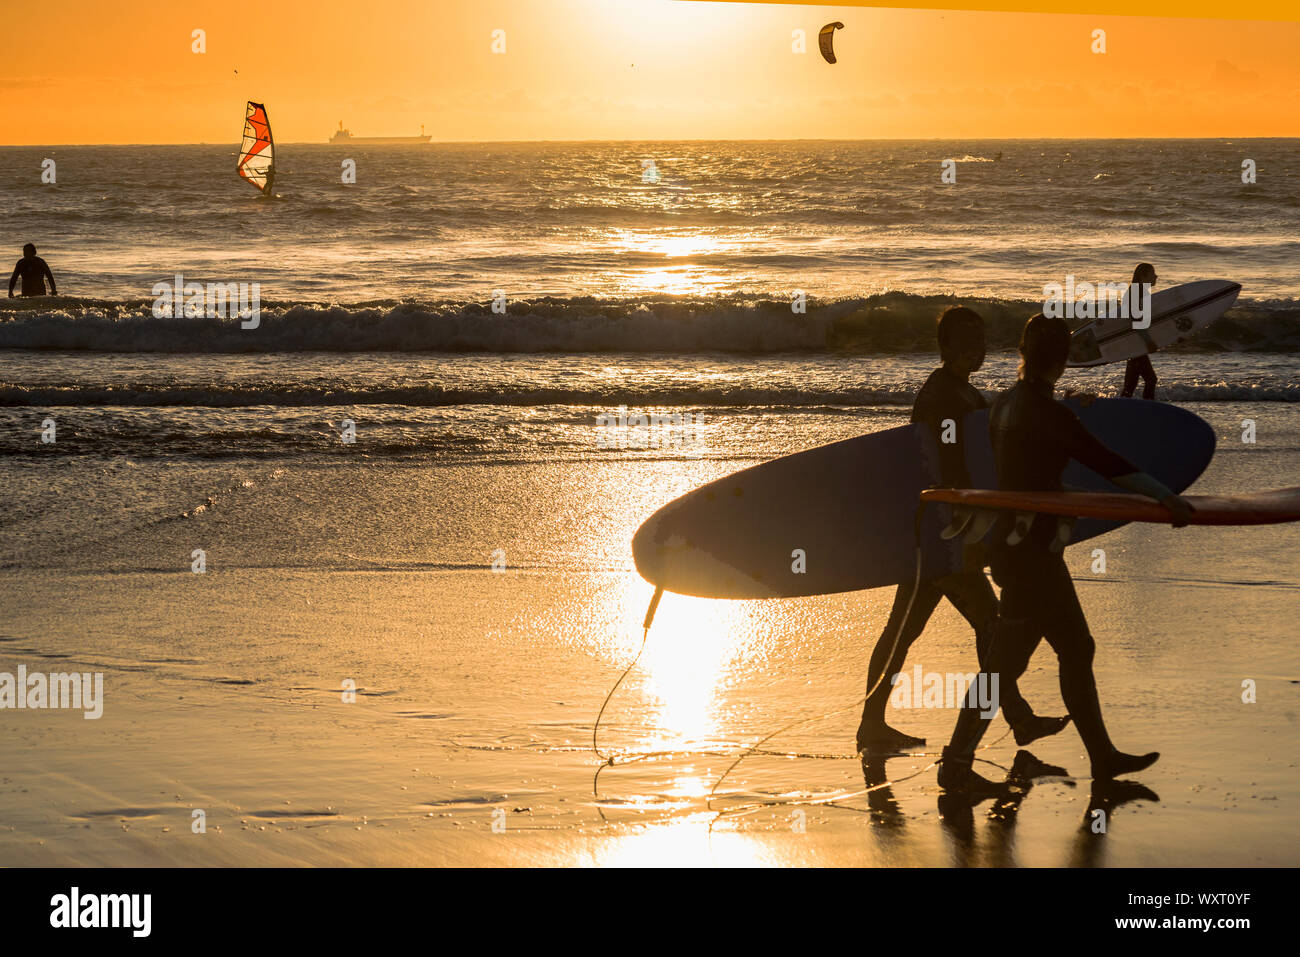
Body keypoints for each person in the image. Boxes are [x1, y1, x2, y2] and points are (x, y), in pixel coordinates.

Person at [937, 313, 1193, 793]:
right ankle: (955, 765)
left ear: (1022, 352)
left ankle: (1103, 757)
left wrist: (1068, 407)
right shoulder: (1050, 414)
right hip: (1032, 554)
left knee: (1074, 649)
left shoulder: (1006, 405)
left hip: (1019, 547)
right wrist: (1165, 495)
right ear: (1063, 359)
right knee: (1006, 666)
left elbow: (1028, 468)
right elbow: (1105, 461)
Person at [855, 306, 1068, 753]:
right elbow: (948, 465)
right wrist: (970, 528)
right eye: (967, 339)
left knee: (904, 630)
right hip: (946, 533)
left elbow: (994, 436)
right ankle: (1013, 721)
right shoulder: (944, 395)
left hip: (934, 531)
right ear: (946, 346)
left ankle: (871, 725)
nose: (977, 347)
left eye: (982, 339)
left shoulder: (959, 391)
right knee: (989, 626)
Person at [1121, 263, 1158, 399]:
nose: (1156, 276)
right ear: (1143, 276)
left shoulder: (1139, 291)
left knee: (1130, 386)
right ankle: (1149, 411)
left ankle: (1123, 410)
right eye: (1152, 273)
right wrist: (1148, 341)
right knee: (1150, 380)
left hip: (1133, 342)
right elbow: (1136, 321)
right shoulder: (1136, 292)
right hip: (1134, 343)